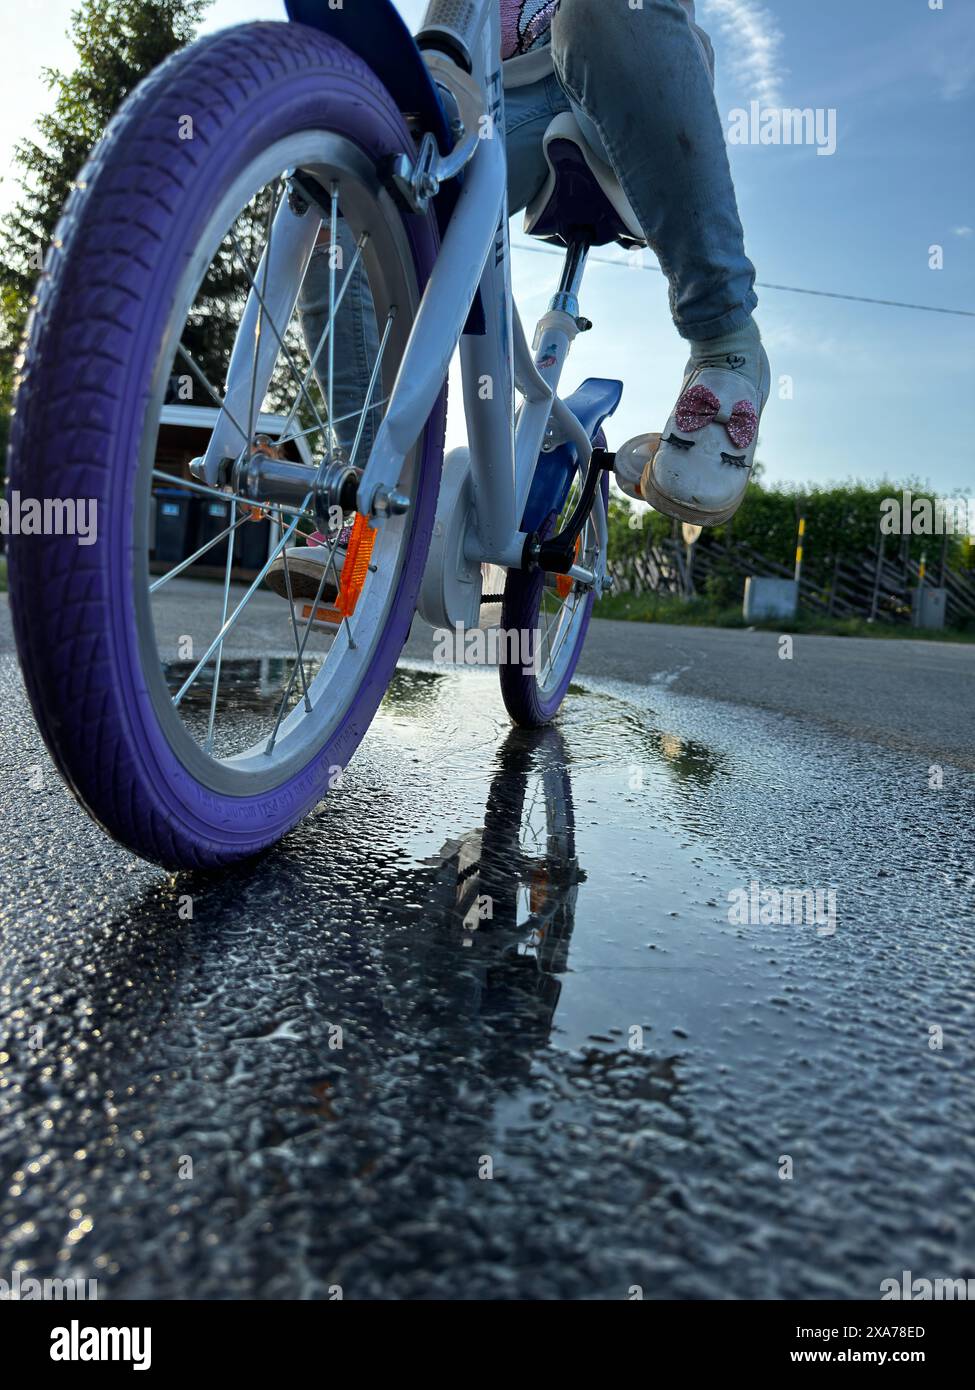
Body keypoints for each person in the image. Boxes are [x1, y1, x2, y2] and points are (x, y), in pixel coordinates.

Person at [266, 0, 769, 601]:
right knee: (350, 210)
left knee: (599, 13)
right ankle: (370, 501)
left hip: (617, 67)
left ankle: (726, 340)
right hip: (501, 90)